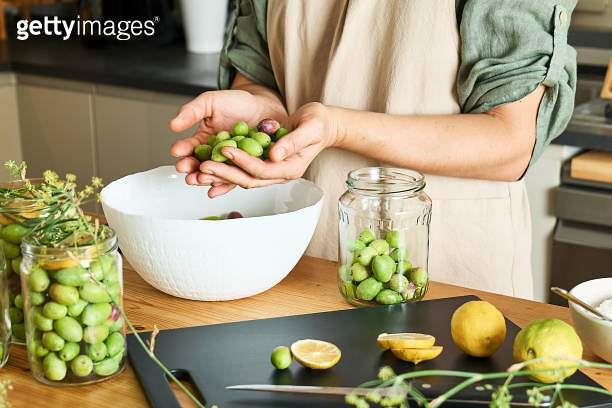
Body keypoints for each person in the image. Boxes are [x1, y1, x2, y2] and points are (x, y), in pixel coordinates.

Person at [169, 0, 577, 299]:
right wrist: (265, 113)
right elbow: (259, 73)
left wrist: (338, 127)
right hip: (305, 264)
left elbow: (510, 141)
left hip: (453, 279)